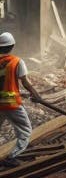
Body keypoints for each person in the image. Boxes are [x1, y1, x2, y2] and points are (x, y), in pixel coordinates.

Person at [0, 32, 41, 167]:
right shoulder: (17, 61)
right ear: (12, 46)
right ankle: (12, 157)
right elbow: (25, 82)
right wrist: (36, 95)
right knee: (25, 131)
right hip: (10, 102)